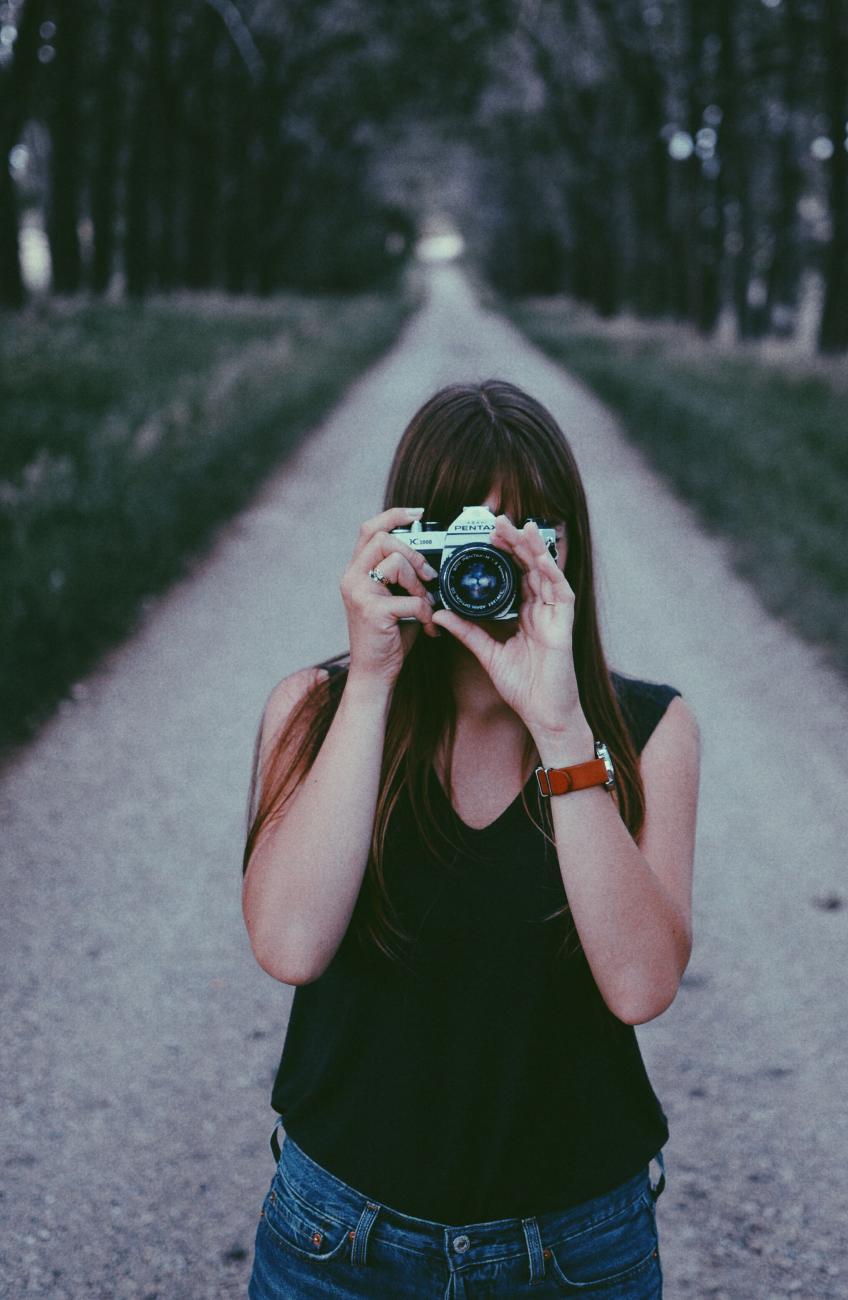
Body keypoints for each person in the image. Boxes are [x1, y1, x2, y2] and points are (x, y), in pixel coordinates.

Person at [242, 379, 700, 1299]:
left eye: (521, 542)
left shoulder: (651, 730)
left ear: (568, 556)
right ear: (406, 544)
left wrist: (562, 726)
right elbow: (291, 944)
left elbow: (641, 985)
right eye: (459, 542)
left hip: (576, 1250)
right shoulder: (317, 708)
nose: (485, 574)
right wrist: (371, 681)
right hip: (339, 1237)